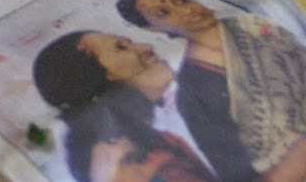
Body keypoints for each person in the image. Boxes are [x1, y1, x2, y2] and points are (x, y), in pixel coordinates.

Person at [118, 0, 306, 181]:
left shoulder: (254, 25)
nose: (187, 10)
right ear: (153, 28)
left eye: (182, 0)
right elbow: (237, 172)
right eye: (164, 12)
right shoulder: (193, 92)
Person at [34, 30, 217, 181]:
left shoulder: (164, 139)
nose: (148, 47)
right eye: (121, 48)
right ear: (93, 79)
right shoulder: (118, 161)